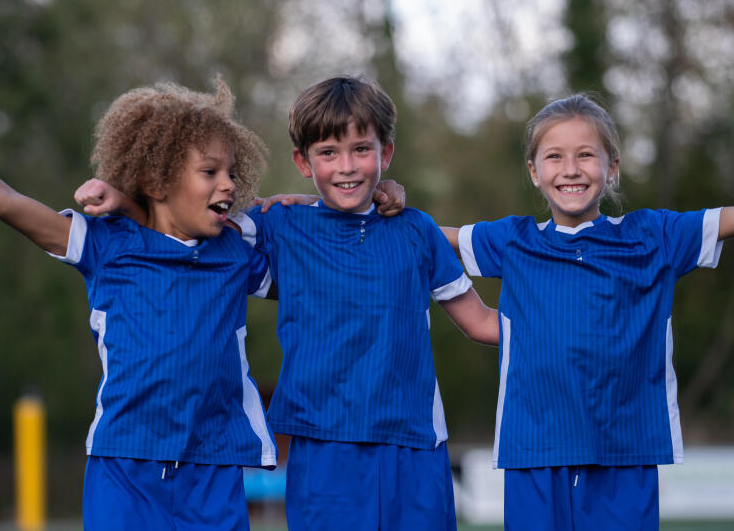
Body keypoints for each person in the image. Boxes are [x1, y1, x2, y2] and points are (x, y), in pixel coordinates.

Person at [442, 94, 734, 530]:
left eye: (586, 154)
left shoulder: (653, 236)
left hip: (625, 457)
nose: (571, 169)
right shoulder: (514, 241)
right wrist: (382, 206)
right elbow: (430, 238)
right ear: (534, 171)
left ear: (612, 168)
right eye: (555, 157)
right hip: (533, 459)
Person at [0, 79, 279, 530]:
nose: (229, 184)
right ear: (156, 179)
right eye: (210, 172)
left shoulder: (236, 252)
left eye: (232, 172)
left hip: (214, 471)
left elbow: (316, 266)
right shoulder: (108, 246)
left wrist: (351, 195)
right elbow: (4, 200)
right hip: (124, 468)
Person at [77, 75, 501, 530]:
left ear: (386, 153)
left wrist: (562, 332)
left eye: (362, 149)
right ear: (303, 161)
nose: (347, 166)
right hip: (321, 451)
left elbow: (481, 324)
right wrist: (123, 201)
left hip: (416, 445)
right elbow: (183, 218)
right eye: (328, 153)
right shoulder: (278, 226)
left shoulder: (416, 231)